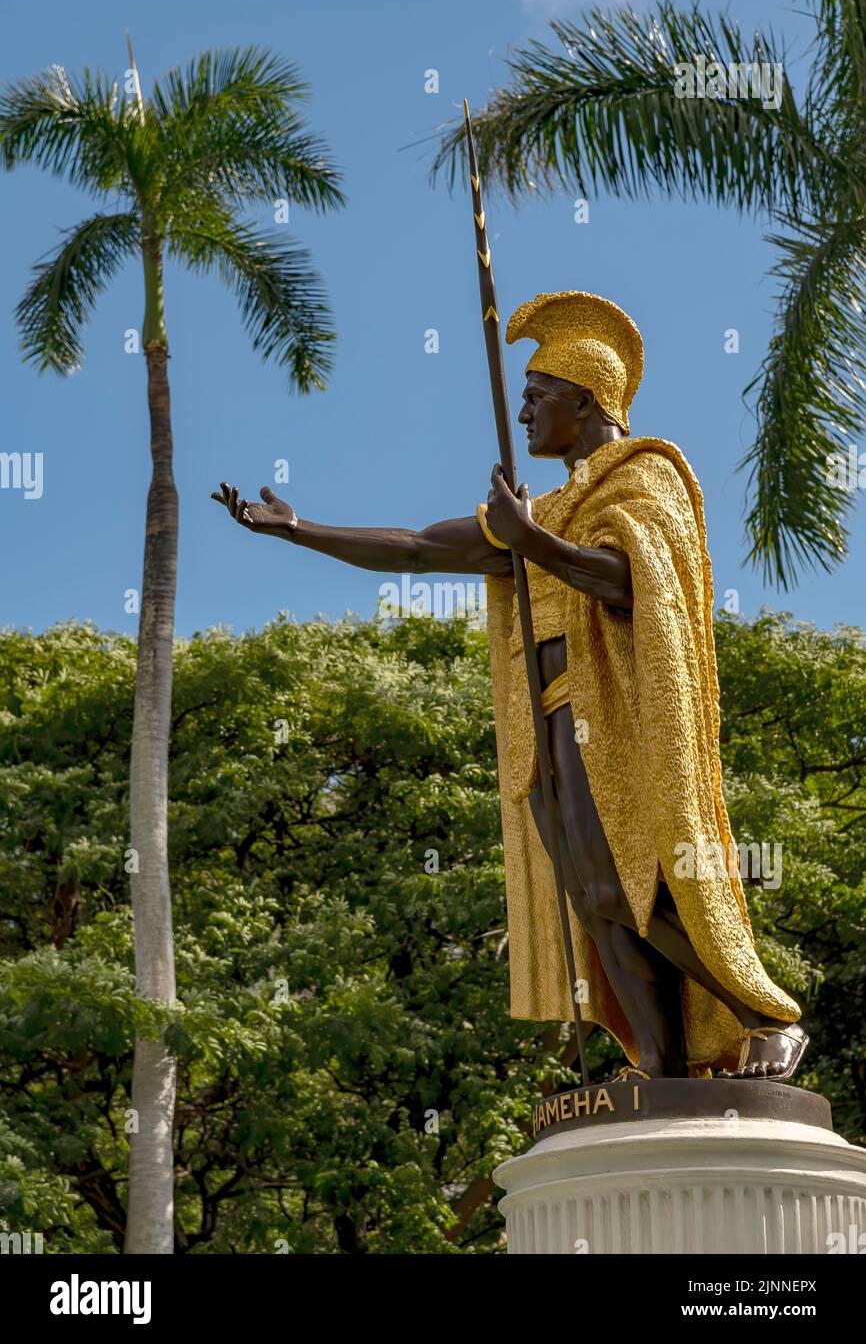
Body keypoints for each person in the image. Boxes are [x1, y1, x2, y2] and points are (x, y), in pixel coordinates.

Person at [212, 290, 807, 1081]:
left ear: (586, 400)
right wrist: (300, 529)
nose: (524, 414)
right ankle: (663, 1069)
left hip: (621, 719)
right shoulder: (540, 507)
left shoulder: (644, 474)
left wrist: (534, 540)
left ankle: (764, 1014)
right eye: (521, 398)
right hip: (550, 726)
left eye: (538, 397)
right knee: (595, 900)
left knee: (636, 876)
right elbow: (420, 549)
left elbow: (633, 582)